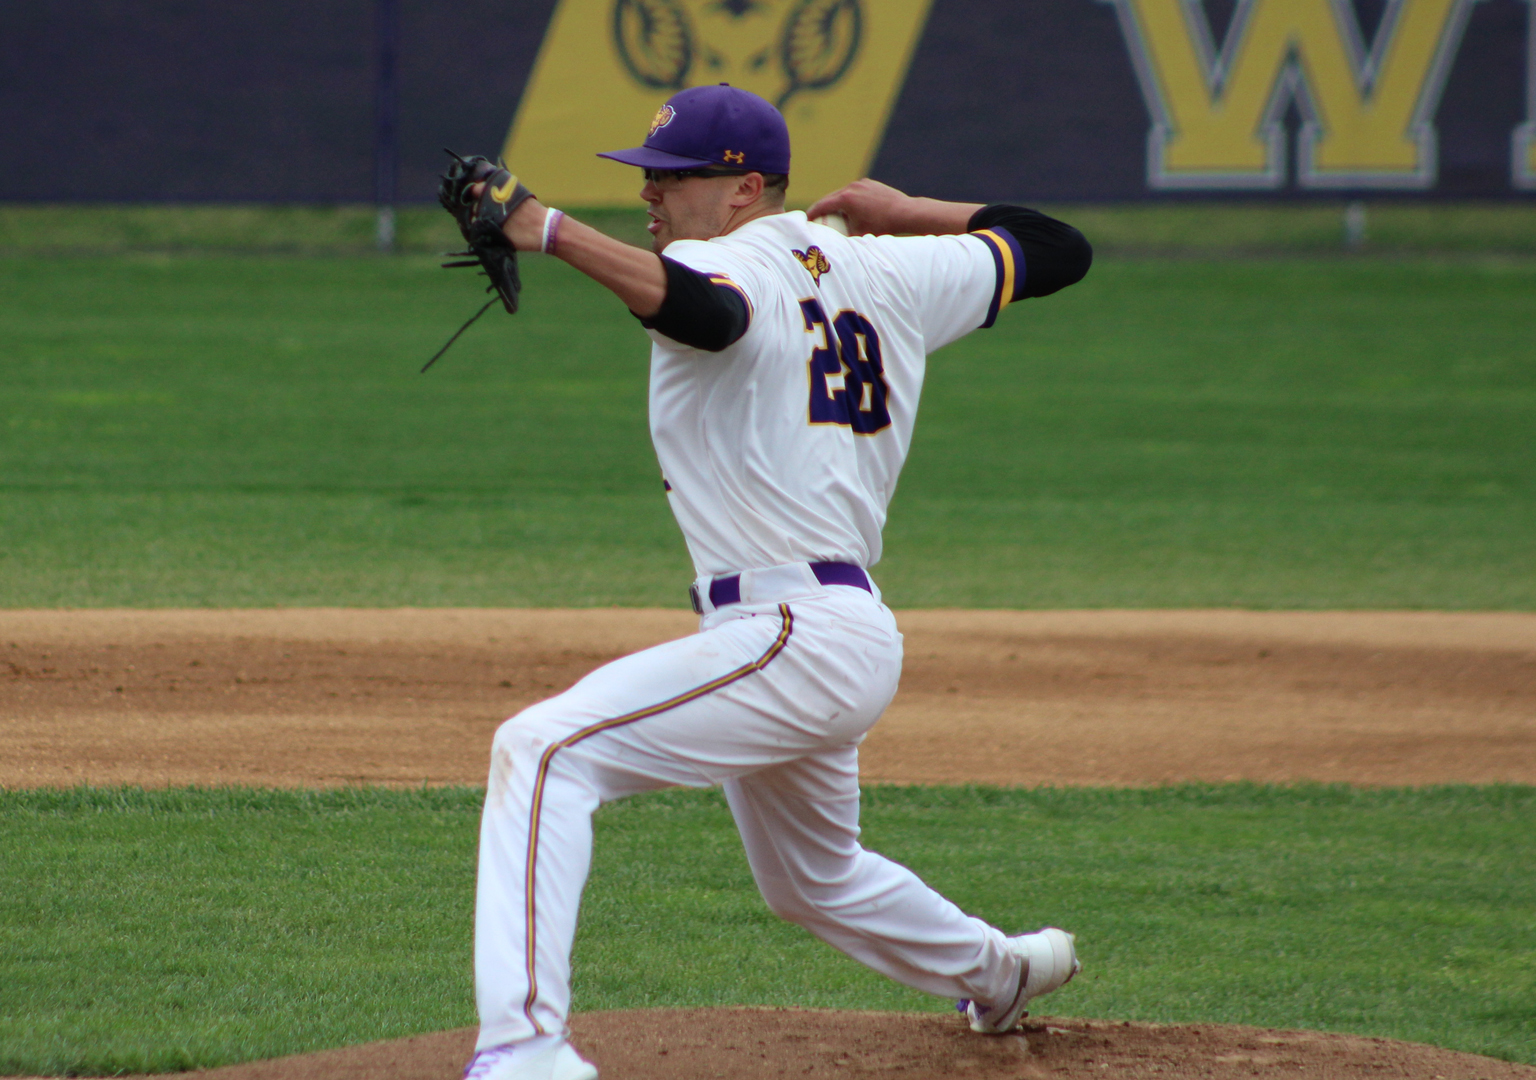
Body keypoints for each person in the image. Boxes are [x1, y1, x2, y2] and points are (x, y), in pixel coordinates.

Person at [458, 83, 1093, 1080]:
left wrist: (549, 231)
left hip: (791, 631)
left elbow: (710, 316)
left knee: (541, 752)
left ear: (744, 188)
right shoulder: (893, 268)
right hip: (830, 630)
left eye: (673, 179)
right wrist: (912, 210)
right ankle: (1001, 970)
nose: (654, 196)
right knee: (812, 878)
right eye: (650, 178)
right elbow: (1058, 248)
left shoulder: (718, 257)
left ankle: (525, 1050)